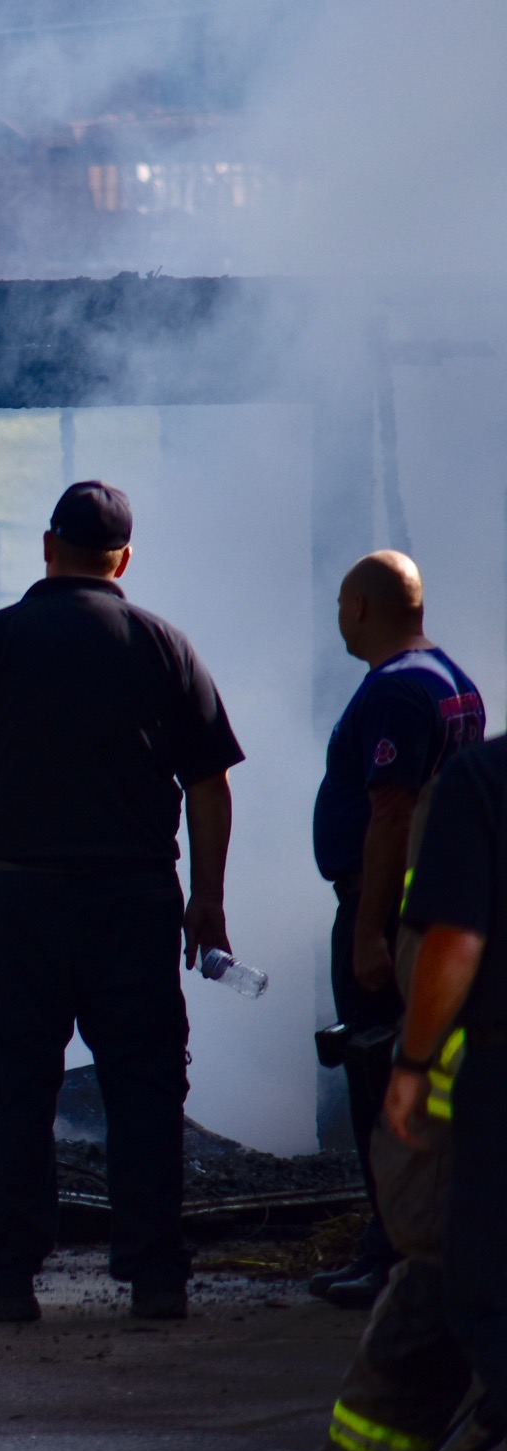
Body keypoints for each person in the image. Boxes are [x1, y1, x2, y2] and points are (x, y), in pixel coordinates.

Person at [0, 480, 243, 1323]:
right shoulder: (163, 645)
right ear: (122, 559)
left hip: (19, 900)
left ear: (47, 547)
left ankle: (6, 1278)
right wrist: (207, 901)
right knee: (146, 1085)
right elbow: (208, 785)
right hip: (134, 900)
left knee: (16, 1086)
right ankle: (158, 1278)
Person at [309, 551, 484, 1310]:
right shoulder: (451, 681)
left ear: (364, 608)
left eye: (344, 603)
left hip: (391, 914)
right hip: (437, 910)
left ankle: (390, 1253)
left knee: (378, 1076)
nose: (339, 618)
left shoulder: (395, 693)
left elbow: (390, 815)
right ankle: (416, 1242)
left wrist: (368, 931)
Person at [347, 732, 507, 1451]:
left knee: (467, 1291)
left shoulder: (482, 780)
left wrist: (411, 1064)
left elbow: (452, 941)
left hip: (485, 1087)